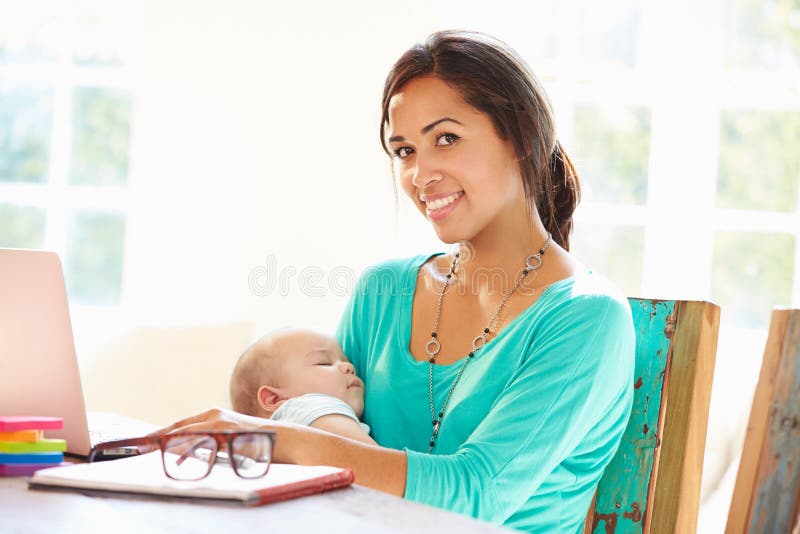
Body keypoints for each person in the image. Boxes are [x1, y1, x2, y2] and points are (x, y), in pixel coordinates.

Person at [158, 30, 635, 532]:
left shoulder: (587, 318)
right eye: (404, 150)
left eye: (445, 139)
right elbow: (320, 427)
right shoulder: (381, 293)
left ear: (523, 139)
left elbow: (478, 494)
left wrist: (280, 440)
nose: (420, 175)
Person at [229, 328, 375, 445]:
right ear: (274, 399)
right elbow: (375, 462)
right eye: (324, 363)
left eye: (345, 360)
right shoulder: (310, 406)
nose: (348, 366)